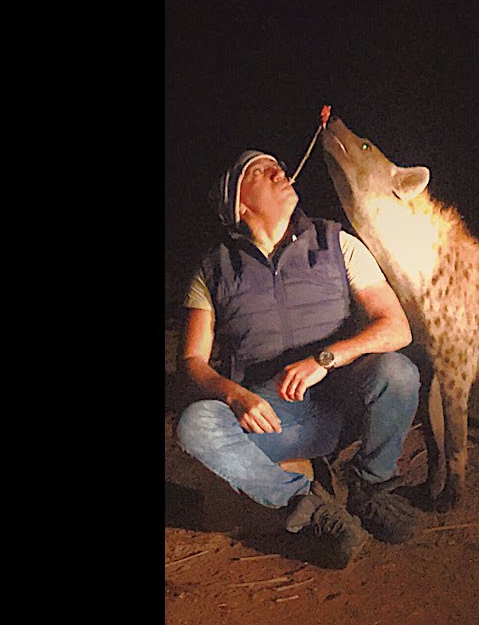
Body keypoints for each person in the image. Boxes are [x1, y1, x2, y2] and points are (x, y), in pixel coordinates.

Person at [176, 149, 421, 568]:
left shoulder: (335, 242)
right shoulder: (212, 270)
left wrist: (326, 358)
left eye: (279, 167)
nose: (279, 172)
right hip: (272, 420)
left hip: (342, 404)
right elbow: (192, 362)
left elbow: (397, 328)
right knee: (195, 424)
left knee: (397, 371)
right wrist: (234, 395)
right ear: (238, 202)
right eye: (261, 171)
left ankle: (371, 488)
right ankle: (309, 509)